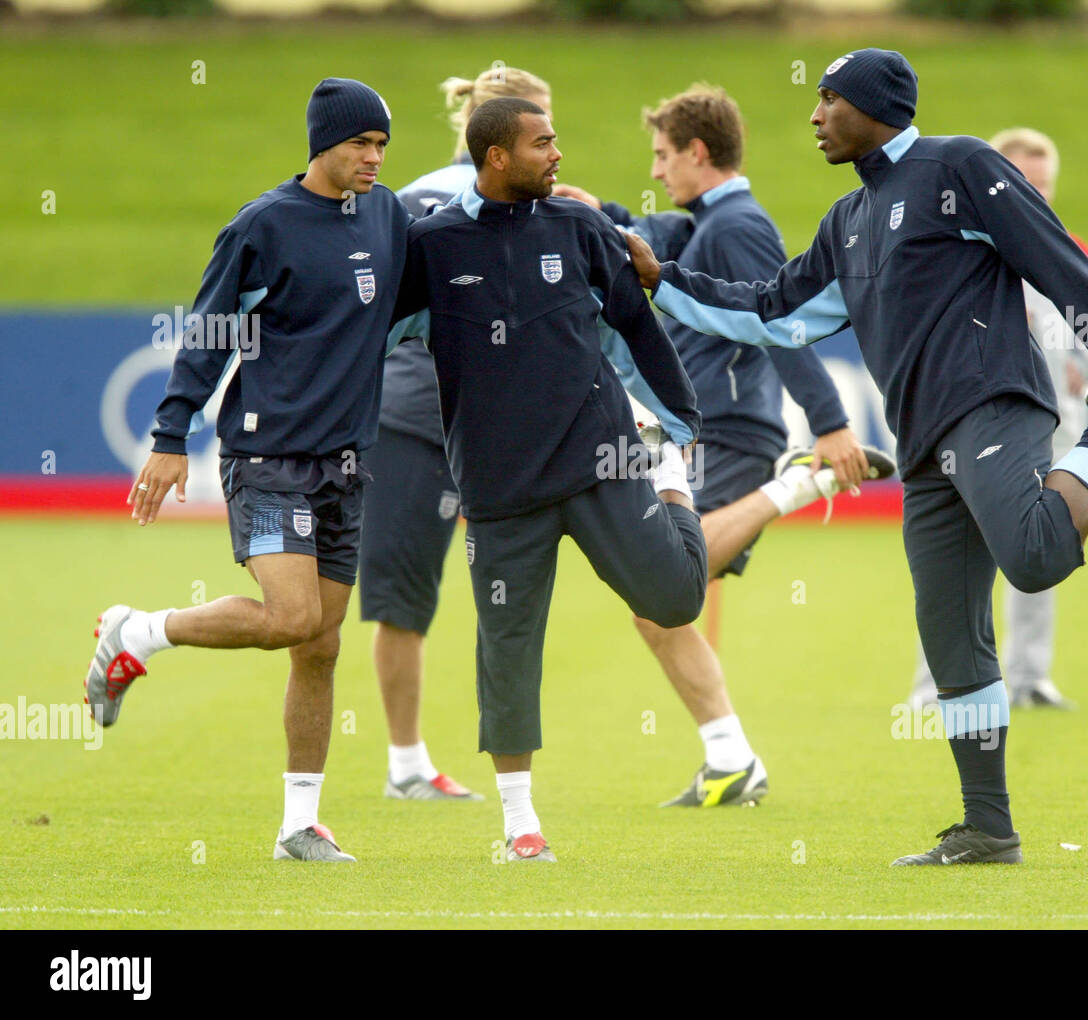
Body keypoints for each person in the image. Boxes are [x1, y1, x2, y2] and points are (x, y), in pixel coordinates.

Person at [622, 49, 1088, 866]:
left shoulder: (960, 164)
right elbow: (773, 315)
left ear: (872, 107)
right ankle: (987, 829)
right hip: (923, 441)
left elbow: (1055, 258)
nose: (814, 114)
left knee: (1037, 555)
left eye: (827, 99)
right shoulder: (847, 219)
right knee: (951, 640)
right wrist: (662, 279)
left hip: (991, 404)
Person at [388, 97, 849, 862]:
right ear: (496, 157)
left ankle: (685, 484)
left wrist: (677, 432)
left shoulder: (579, 231)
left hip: (602, 463)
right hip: (499, 491)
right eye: (543, 144)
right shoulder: (430, 246)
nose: (557, 154)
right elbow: (373, 329)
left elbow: (633, 329)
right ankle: (519, 825)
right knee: (507, 652)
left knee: (674, 595)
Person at [85, 78, 409, 863]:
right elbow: (209, 330)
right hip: (268, 457)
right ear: (321, 143)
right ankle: (137, 632)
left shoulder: (387, 214)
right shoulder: (264, 225)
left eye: (381, 146)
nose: (373, 158)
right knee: (293, 617)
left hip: (347, 463)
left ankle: (299, 825)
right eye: (361, 143)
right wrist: (170, 433)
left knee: (319, 646)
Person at [556, 84, 892, 807]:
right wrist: (598, 216)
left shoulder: (736, 226)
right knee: (662, 605)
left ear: (697, 153)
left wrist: (830, 424)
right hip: (699, 431)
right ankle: (729, 761)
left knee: (659, 587)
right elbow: (655, 235)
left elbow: (783, 324)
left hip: (729, 430)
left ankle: (800, 485)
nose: (655, 172)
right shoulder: (711, 220)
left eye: (663, 156)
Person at [360, 66, 552, 803]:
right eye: (543, 124)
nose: (552, 143)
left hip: (418, 416)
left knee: (404, 596)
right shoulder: (492, 204)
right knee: (498, 594)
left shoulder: (406, 198)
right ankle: (411, 767)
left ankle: (409, 760)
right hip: (449, 417)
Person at [908, 126, 1088, 712]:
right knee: (955, 555)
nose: (1038, 195)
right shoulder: (967, 248)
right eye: (1025, 182)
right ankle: (935, 687)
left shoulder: (1075, 252)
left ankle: (1029, 677)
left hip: (1054, 426)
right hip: (976, 421)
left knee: (1045, 544)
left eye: (1045, 185)